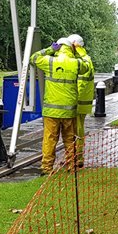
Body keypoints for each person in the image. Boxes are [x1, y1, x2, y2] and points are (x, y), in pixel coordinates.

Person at [29, 38, 87, 175]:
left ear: (58, 47)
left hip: (51, 111)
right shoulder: (76, 63)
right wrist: (78, 51)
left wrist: (49, 49)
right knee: (69, 139)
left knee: (50, 140)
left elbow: (33, 58)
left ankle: (47, 168)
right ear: (70, 48)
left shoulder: (49, 61)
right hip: (69, 111)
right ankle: (71, 167)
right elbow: (86, 67)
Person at [68, 34, 94, 168]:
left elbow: (80, 84)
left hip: (78, 103)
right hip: (82, 102)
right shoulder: (85, 58)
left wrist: (71, 98)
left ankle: (77, 158)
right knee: (78, 130)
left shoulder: (82, 60)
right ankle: (76, 157)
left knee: (77, 131)